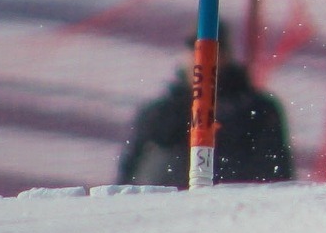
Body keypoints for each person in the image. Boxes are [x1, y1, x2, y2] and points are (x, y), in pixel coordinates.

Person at [117, 24, 295, 186]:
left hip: (235, 207)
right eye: (193, 51)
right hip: (164, 210)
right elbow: (128, 174)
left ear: (226, 55)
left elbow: (276, 173)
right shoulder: (159, 114)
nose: (199, 60)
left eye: (210, 53)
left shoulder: (256, 111)